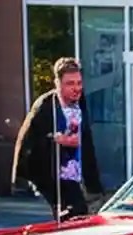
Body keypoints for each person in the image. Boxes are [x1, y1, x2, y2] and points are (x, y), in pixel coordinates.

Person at [12, 57, 103, 221]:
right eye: (70, 84)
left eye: (79, 83)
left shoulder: (81, 104)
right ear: (57, 83)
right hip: (50, 176)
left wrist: (94, 184)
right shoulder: (46, 105)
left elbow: (87, 142)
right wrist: (56, 140)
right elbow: (28, 141)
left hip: (74, 175)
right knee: (73, 213)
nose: (76, 88)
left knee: (79, 214)